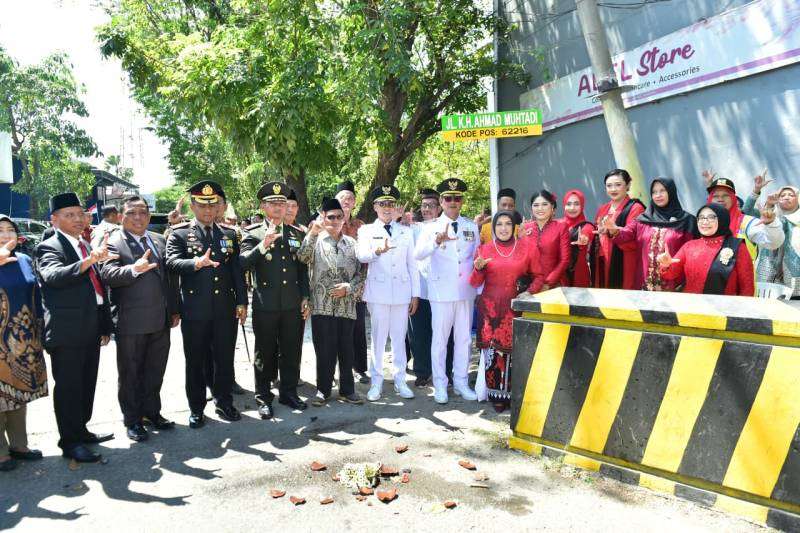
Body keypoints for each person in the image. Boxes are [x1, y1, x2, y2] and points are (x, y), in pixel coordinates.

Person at [36, 192, 114, 463]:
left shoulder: (84, 243)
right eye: (69, 215)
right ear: (54, 220)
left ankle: (81, 429)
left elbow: (97, 289)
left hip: (90, 327)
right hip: (66, 332)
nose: (78, 219)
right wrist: (89, 260)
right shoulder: (50, 246)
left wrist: (105, 324)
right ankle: (69, 441)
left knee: (86, 384)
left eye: (80, 214)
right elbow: (53, 276)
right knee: (69, 388)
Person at [165, 181, 248, 428]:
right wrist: (196, 264)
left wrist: (242, 302)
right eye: (202, 205)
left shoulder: (229, 234)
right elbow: (170, 263)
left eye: (213, 205)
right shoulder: (179, 234)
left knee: (223, 359)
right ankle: (197, 408)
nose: (208, 211)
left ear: (219, 206)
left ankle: (224, 401)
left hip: (224, 308)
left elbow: (236, 272)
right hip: (195, 310)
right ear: (192, 206)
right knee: (196, 361)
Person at [99, 196, 180, 442]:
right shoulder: (113, 242)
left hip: (160, 318)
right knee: (131, 373)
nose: (138, 217)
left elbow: (169, 278)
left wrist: (174, 309)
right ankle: (132, 420)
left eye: (142, 212)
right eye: (131, 213)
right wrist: (134, 268)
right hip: (130, 321)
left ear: (148, 215)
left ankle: (152, 413)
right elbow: (108, 273)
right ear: (122, 216)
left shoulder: (157, 239)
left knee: (155, 370)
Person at [240, 182, 310, 420]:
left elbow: (302, 270)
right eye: (273, 203)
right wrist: (263, 245)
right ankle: (263, 398)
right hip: (266, 305)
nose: (279, 208)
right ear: (263, 206)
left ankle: (289, 393)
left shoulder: (295, 234)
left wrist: (305, 297)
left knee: (291, 351)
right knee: (265, 353)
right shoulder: (253, 233)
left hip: (291, 304)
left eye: (282, 203)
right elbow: (242, 265)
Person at [414, 178, 480, 404]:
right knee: (440, 340)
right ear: (441, 201)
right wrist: (435, 242)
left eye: (457, 198)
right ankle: (440, 384)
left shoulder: (471, 226)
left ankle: (461, 381)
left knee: (463, 340)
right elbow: (418, 254)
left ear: (462, 201)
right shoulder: (430, 227)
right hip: (441, 291)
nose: (453, 202)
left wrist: (478, 288)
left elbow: (476, 257)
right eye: (449, 198)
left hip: (465, 291)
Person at [298, 198, 365, 406]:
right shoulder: (315, 240)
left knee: (346, 349)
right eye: (330, 217)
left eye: (338, 216)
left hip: (347, 305)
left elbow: (362, 273)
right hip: (322, 305)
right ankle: (323, 390)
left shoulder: (353, 244)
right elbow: (302, 257)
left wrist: (349, 288)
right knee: (324, 350)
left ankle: (347, 390)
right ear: (323, 218)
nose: (335, 220)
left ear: (344, 218)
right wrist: (312, 233)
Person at [357, 185, 420, 402]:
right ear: (375, 206)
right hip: (378, 293)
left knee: (399, 339)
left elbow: (413, 265)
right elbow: (361, 256)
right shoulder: (366, 230)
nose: (387, 208)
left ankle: (400, 380)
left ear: (396, 208)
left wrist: (415, 294)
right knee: (378, 338)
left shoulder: (406, 231)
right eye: (382, 204)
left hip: (402, 292)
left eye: (390, 204)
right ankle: (376, 382)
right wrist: (377, 251)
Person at [470, 211, 537, 412]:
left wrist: (528, 293)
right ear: (493, 228)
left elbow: (539, 276)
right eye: (499, 224)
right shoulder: (484, 249)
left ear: (515, 227)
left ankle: (515, 396)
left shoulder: (527, 248)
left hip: (515, 307)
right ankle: (496, 396)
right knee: (494, 353)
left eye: (508, 224)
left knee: (515, 353)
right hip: (490, 309)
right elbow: (474, 282)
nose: (504, 228)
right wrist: (478, 269)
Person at [0, 215, 47, 471]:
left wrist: (40, 329)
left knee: (19, 391)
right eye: (0, 231)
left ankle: (19, 444)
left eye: (11, 230)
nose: (7, 235)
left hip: (23, 336)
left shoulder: (25, 259)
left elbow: (36, 294)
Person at [603, 178, 696, 291]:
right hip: (644, 284)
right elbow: (625, 234)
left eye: (662, 191)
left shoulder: (687, 221)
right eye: (654, 192)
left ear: (671, 192)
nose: (658, 195)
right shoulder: (643, 219)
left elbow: (693, 253)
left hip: (674, 284)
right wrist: (613, 229)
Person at [658, 203, 754, 296]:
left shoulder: (738, 247)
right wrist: (666, 265)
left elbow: (747, 288)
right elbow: (670, 275)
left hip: (724, 309)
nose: (705, 222)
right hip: (691, 308)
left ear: (722, 219)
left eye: (711, 217)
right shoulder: (689, 246)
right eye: (701, 217)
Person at [335, 180, 369, 385]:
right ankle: (333, 370)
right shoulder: (327, 222)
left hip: (356, 286)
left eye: (350, 198)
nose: (346, 201)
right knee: (334, 332)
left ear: (355, 203)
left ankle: (359, 369)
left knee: (357, 330)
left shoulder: (360, 226)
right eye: (342, 198)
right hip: (334, 287)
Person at [744, 177, 800, 297]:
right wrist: (757, 190)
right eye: (782, 195)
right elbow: (745, 212)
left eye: (791, 195)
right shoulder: (767, 214)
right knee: (766, 304)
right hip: (767, 268)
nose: (786, 197)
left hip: (795, 270)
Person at [705, 176, 784, 261]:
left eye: (725, 195)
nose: (720, 199)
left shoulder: (747, 222)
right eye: (715, 196)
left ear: (733, 199)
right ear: (710, 199)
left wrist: (770, 224)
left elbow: (773, 243)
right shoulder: (702, 223)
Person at [594, 169, 646, 289]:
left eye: (618, 185)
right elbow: (597, 232)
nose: (613, 189)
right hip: (602, 261)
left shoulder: (636, 208)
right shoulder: (603, 209)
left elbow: (633, 235)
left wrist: (614, 230)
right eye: (609, 186)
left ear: (627, 185)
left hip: (624, 262)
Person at [521, 190, 570, 293]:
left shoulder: (561, 227)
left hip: (554, 285)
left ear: (552, 207)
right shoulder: (525, 228)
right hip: (529, 285)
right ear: (531, 208)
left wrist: (548, 283)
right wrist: (520, 239)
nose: (540, 208)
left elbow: (564, 260)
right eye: (536, 205)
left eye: (544, 204)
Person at [560, 190, 595, 288]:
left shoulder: (587, 225)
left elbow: (587, 233)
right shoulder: (557, 224)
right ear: (564, 205)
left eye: (576, 204)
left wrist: (584, 239)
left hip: (579, 276)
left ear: (582, 206)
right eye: (569, 204)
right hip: (559, 276)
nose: (572, 208)